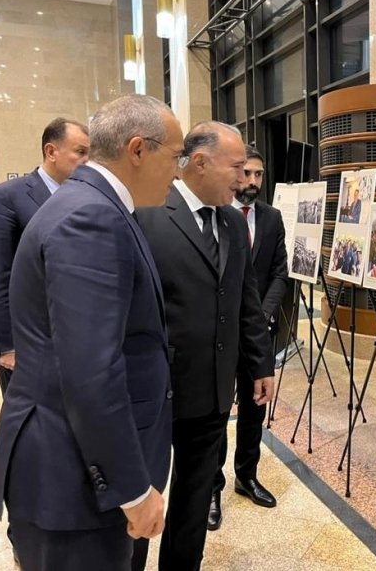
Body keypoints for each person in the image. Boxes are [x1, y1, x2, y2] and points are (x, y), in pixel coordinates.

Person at [0, 94, 183, 571]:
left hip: (77, 468)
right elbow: (91, 371)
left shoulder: (96, 205)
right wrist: (132, 490)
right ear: (138, 150)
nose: (177, 173)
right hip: (72, 477)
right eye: (175, 157)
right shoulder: (91, 216)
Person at [135, 121, 274, 570]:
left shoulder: (231, 221)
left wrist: (260, 364)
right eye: (236, 168)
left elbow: (245, 300)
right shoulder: (147, 212)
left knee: (194, 497)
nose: (244, 178)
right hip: (154, 389)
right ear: (199, 162)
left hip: (213, 387)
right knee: (141, 498)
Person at [0, 117, 89, 394]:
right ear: (51, 151)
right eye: (80, 152)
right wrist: (7, 345)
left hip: (76, 335)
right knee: (30, 415)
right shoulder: (7, 197)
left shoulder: (86, 198)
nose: (87, 160)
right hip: (29, 340)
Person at [210, 145, 288, 530]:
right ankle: (212, 487)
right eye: (247, 174)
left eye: (259, 175)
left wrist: (262, 314)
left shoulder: (272, 218)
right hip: (221, 333)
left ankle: (247, 476)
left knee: (255, 406)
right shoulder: (217, 216)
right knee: (217, 409)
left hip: (259, 332)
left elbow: (279, 272)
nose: (253, 182)